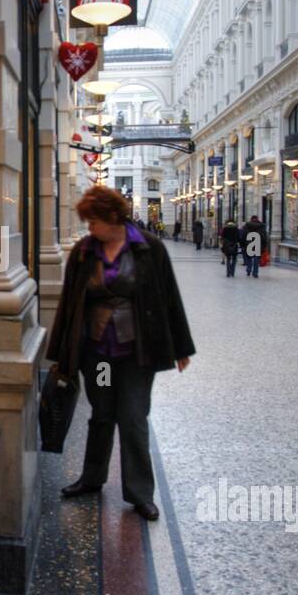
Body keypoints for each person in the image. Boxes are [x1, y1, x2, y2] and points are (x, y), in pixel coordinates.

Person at [45, 185, 195, 521]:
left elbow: (168, 296)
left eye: (93, 220)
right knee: (101, 414)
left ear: (113, 217)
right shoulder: (84, 252)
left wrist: (181, 347)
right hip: (98, 354)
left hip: (137, 353)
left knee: (133, 418)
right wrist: (60, 353)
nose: (89, 227)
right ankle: (92, 478)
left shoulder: (148, 248)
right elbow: (69, 304)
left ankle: (140, 493)